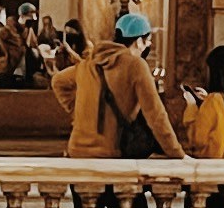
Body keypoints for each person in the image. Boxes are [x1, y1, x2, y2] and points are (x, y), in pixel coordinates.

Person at [66, 9, 184, 159]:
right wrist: (177, 153)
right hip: (109, 152)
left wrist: (79, 112)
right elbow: (155, 114)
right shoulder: (136, 65)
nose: (146, 47)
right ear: (139, 41)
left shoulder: (89, 63)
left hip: (76, 150)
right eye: (147, 41)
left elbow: (58, 82)